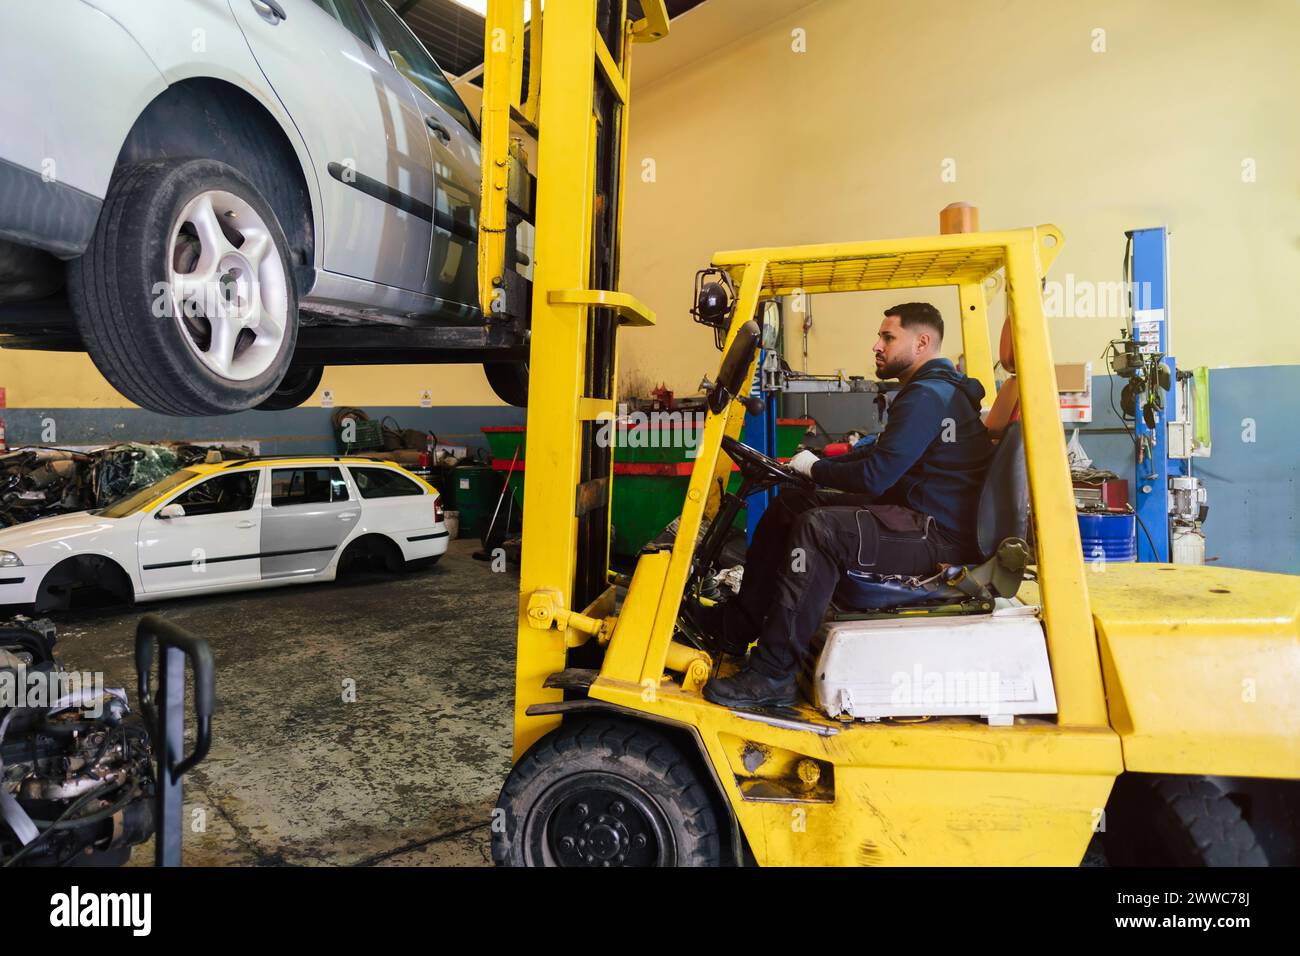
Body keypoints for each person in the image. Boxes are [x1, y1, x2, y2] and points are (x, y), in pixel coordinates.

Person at [699, 302, 995, 709]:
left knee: (819, 531)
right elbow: (878, 458)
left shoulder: (928, 396)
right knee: (793, 503)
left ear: (923, 342)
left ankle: (773, 674)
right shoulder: (934, 390)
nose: (877, 345)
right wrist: (814, 468)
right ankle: (737, 625)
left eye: (888, 337)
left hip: (937, 537)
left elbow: (876, 477)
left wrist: (818, 470)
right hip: (922, 517)